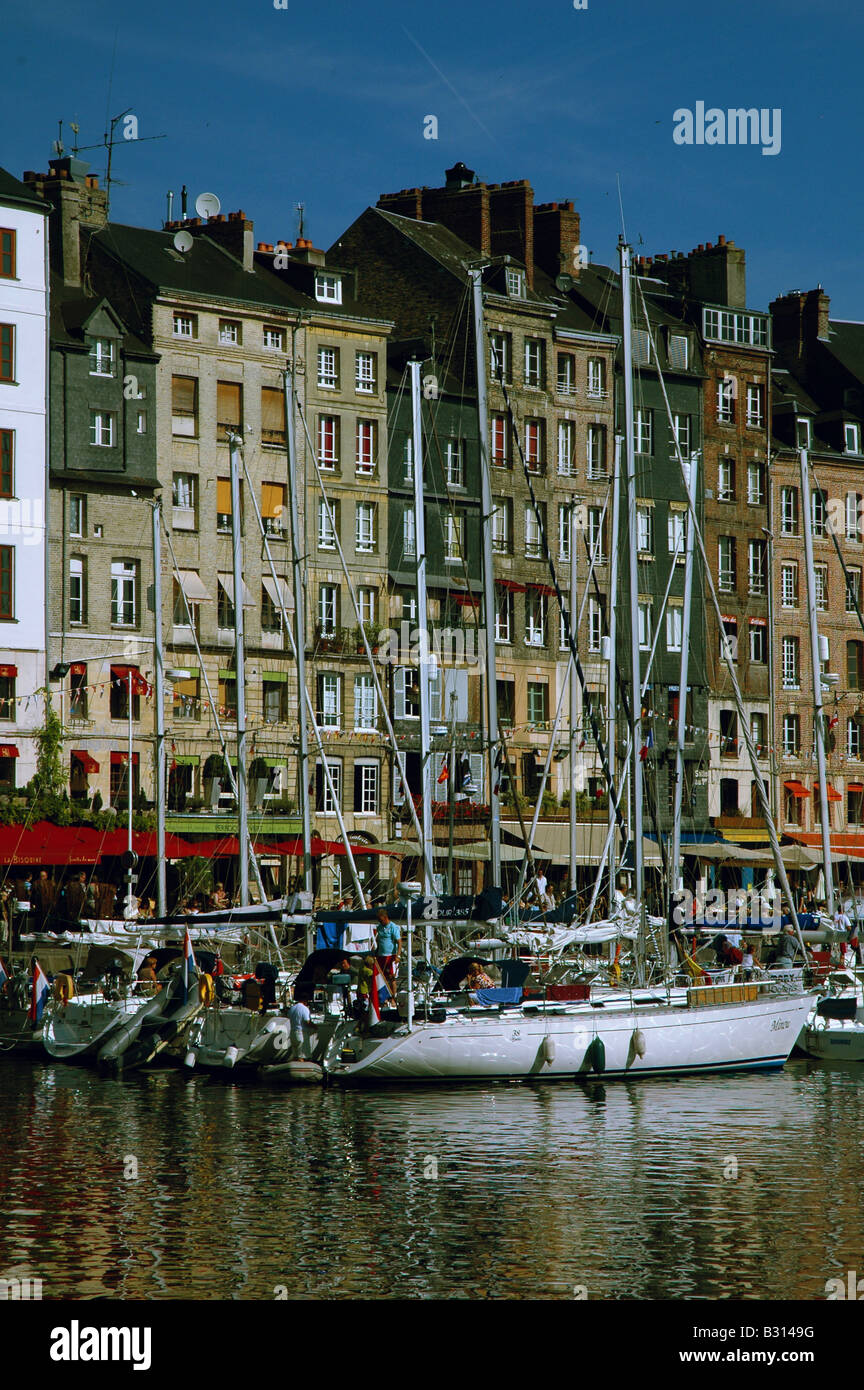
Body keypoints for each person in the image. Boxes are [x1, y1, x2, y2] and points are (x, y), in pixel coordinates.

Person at [375, 909, 402, 985]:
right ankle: (385, 995)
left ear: (386, 917)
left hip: (390, 955)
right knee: (382, 976)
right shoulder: (379, 927)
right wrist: (376, 953)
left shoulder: (393, 927)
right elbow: (379, 941)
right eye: (379, 921)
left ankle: (394, 995)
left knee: (391, 977)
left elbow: (399, 942)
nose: (380, 922)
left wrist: (398, 956)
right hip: (381, 955)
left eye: (381, 920)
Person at [288, 995, 316, 1060]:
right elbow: (307, 1022)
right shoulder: (304, 1008)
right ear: (305, 1001)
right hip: (301, 1033)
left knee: (295, 1056)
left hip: (292, 1033)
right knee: (302, 1056)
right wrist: (314, 1026)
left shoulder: (292, 1008)